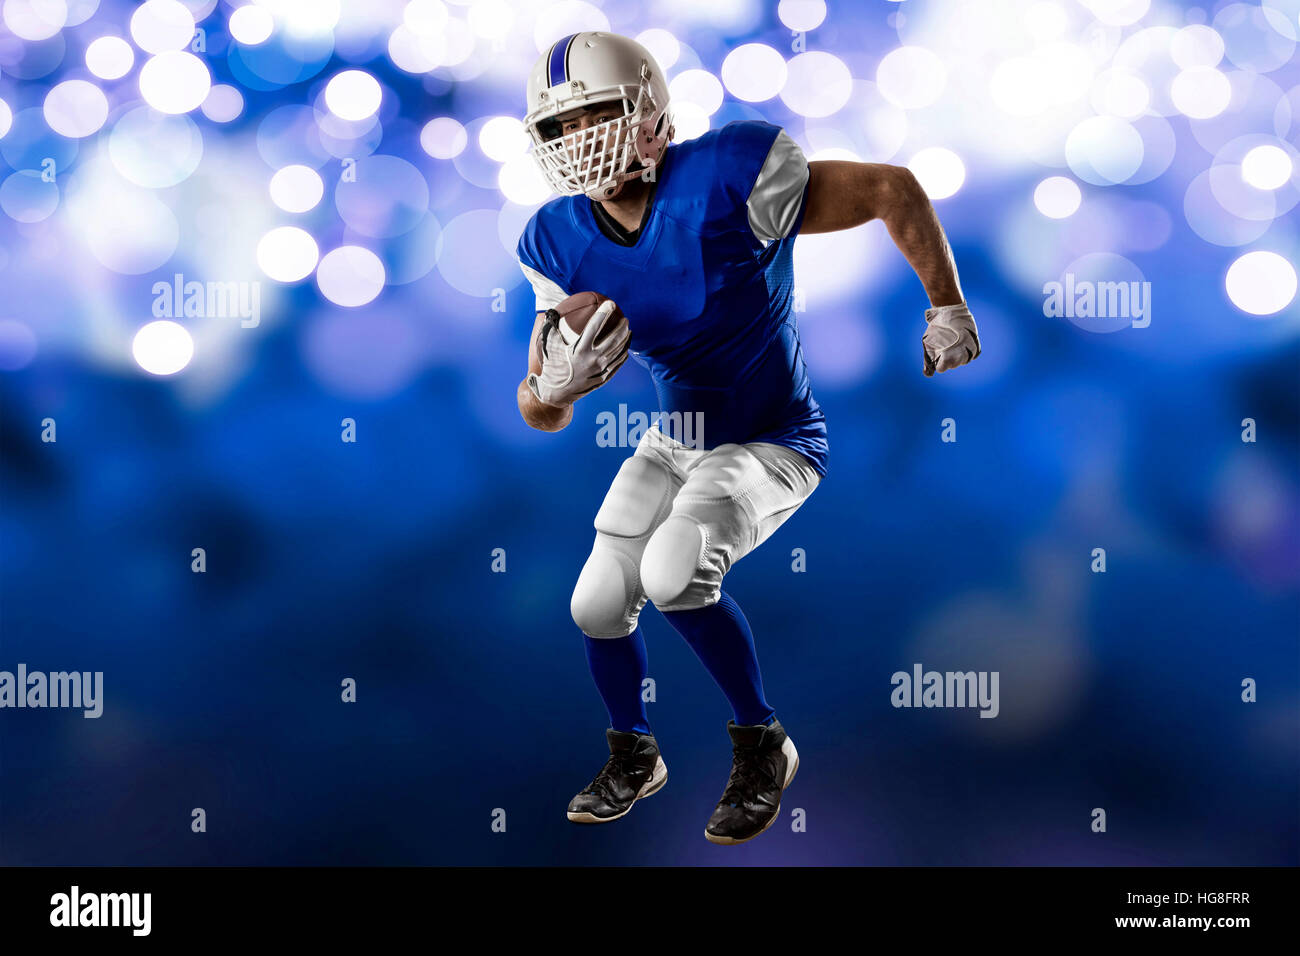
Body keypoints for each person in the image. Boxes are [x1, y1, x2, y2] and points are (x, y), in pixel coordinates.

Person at [514, 31, 980, 845]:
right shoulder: (553, 240)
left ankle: (763, 742)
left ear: (652, 111)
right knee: (595, 600)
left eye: (597, 114)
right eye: (561, 127)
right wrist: (551, 390)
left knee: (670, 571)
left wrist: (946, 303)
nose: (580, 140)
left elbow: (889, 187)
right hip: (676, 437)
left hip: (774, 437)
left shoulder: (729, 174)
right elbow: (539, 412)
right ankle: (635, 754)